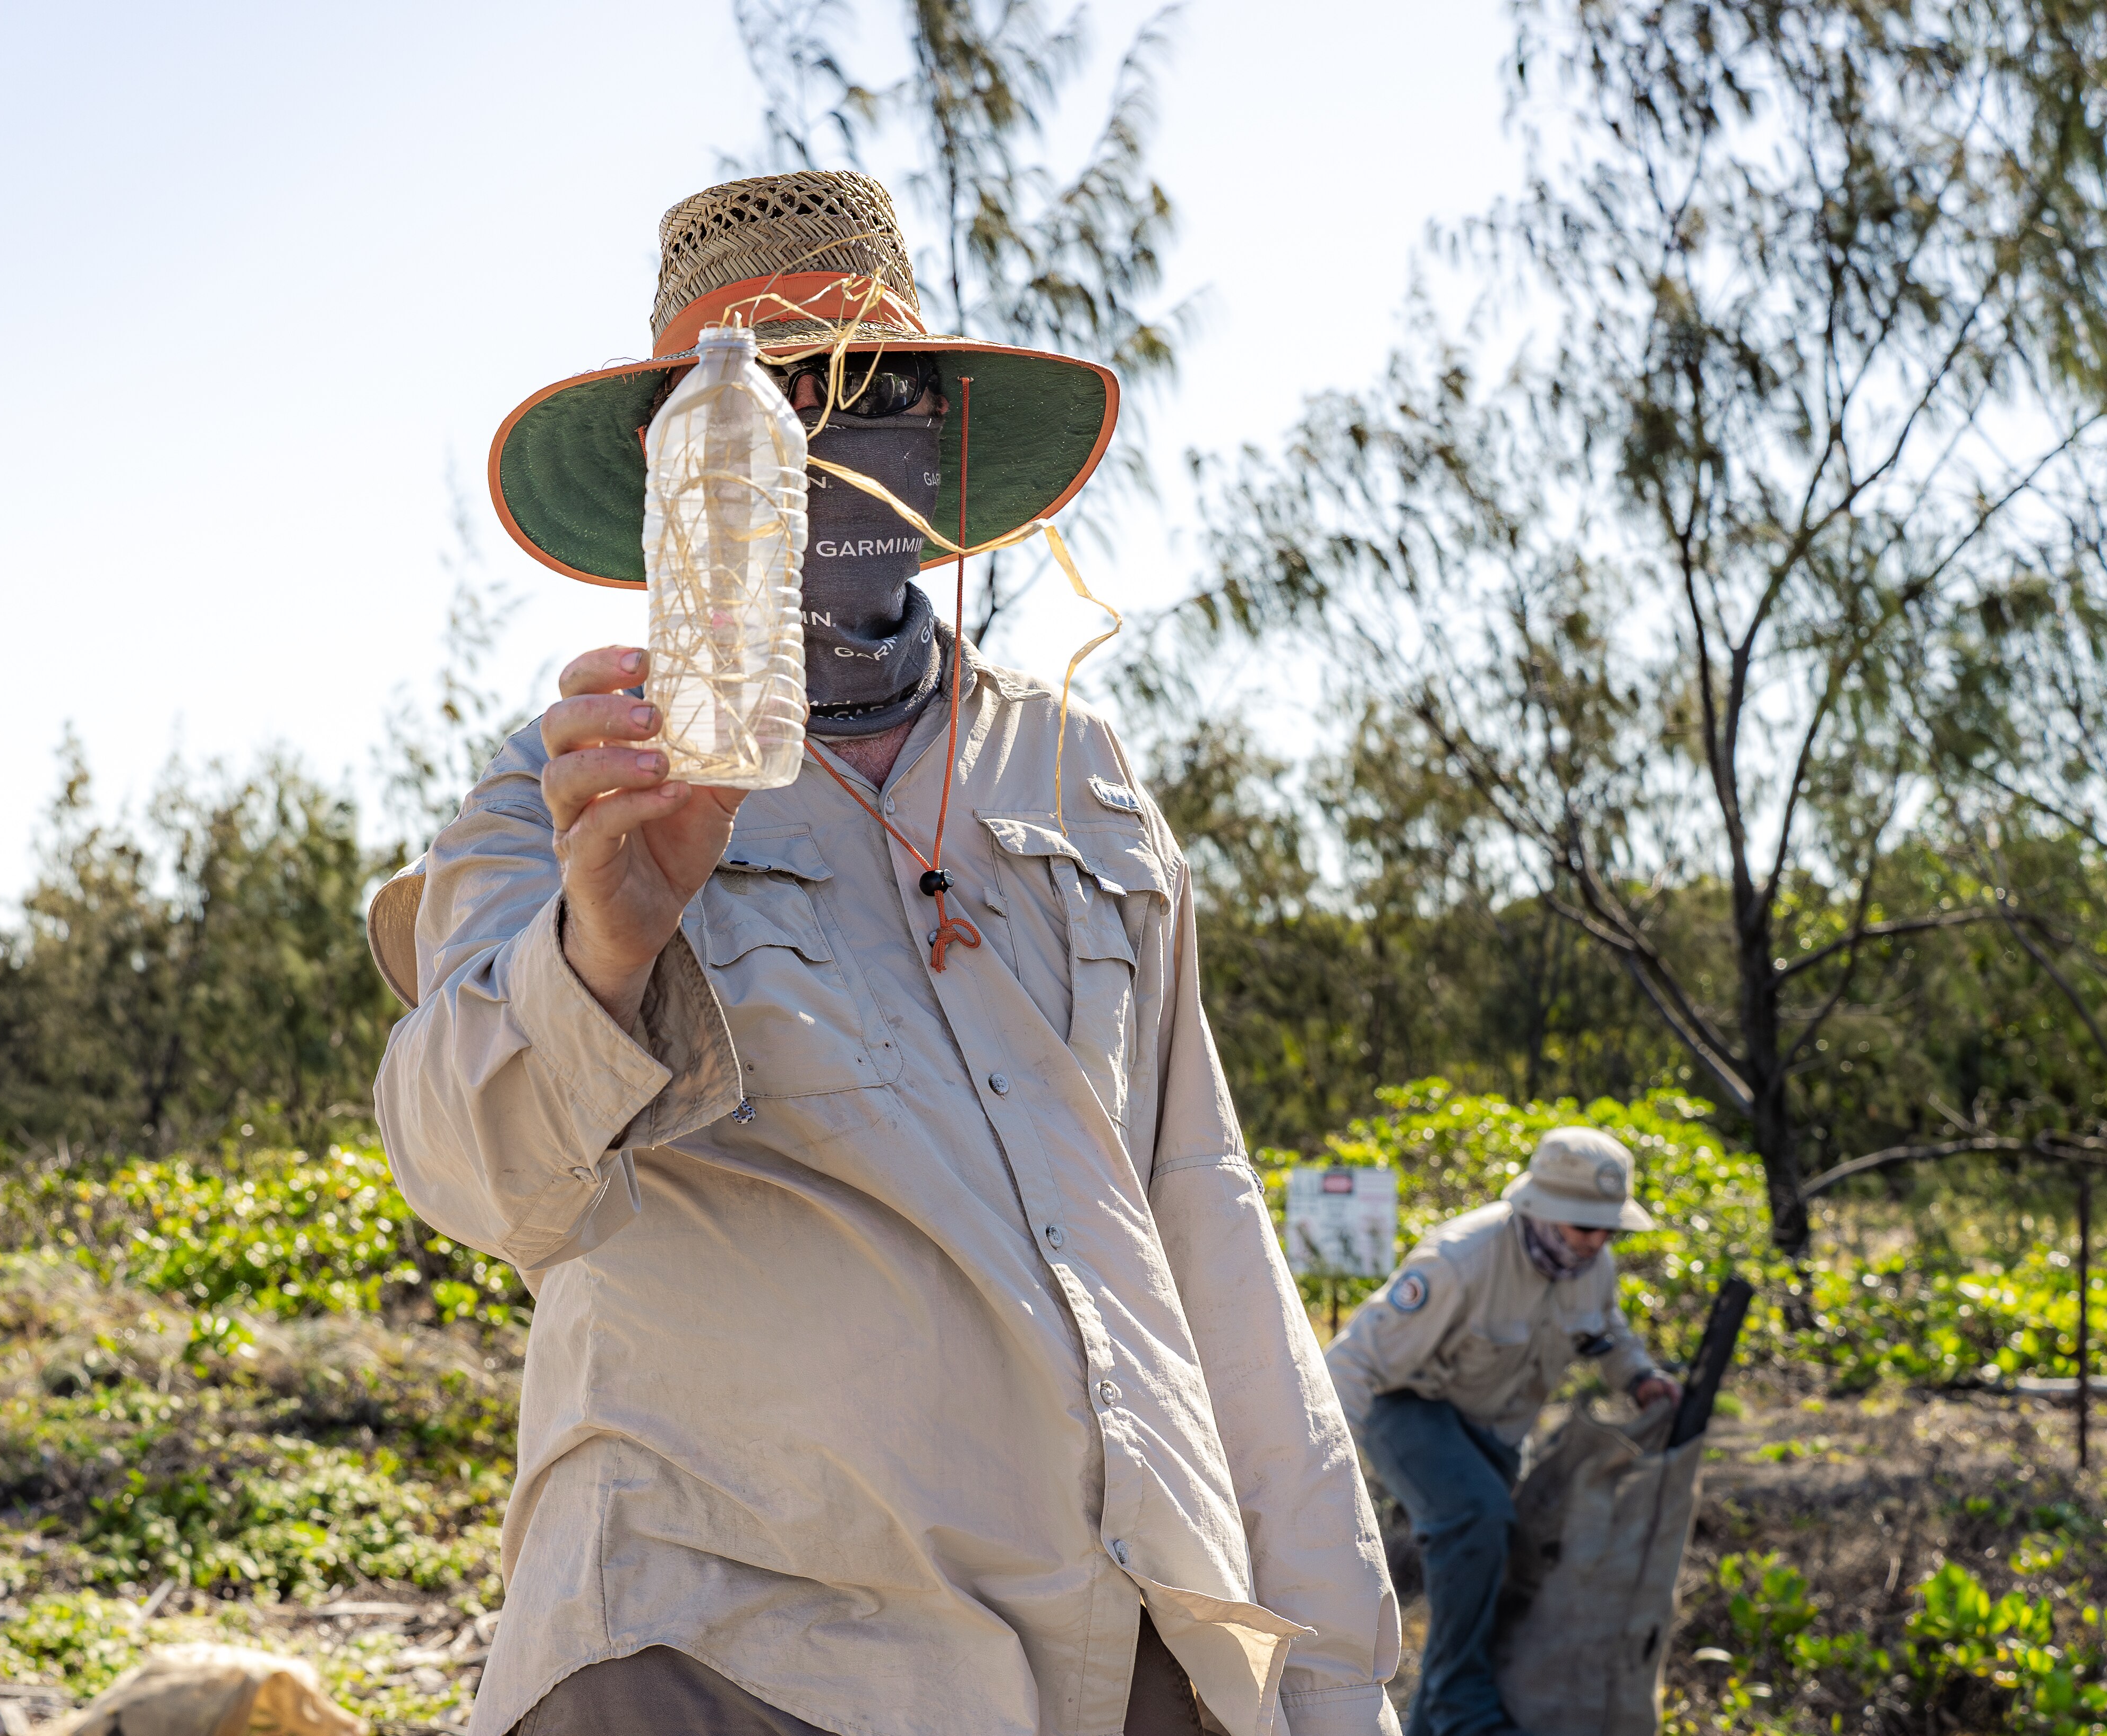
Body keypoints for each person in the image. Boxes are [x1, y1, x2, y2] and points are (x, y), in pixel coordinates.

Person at [369, 172, 1402, 1736]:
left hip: (1124, 1644)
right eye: (763, 405)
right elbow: (477, 1169)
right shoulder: (567, 788)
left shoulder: (1072, 769)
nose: (811, 444)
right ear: (677, 477)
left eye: (870, 396)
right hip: (720, 1652)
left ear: (936, 449)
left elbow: (1200, 1211)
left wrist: (1328, 1674)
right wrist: (603, 941)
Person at [1323, 1127, 1682, 1736]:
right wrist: (1322, 1468)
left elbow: (1608, 1330)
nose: (1597, 1241)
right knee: (1477, 1517)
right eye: (1583, 1226)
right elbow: (1354, 1359)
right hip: (1410, 1409)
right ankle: (1466, 1711)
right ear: (1541, 1209)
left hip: (1495, 1434)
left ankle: (1431, 1723)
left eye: (1606, 1229)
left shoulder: (1590, 1266)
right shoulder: (1461, 1259)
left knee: (1488, 1560)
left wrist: (1641, 1376)